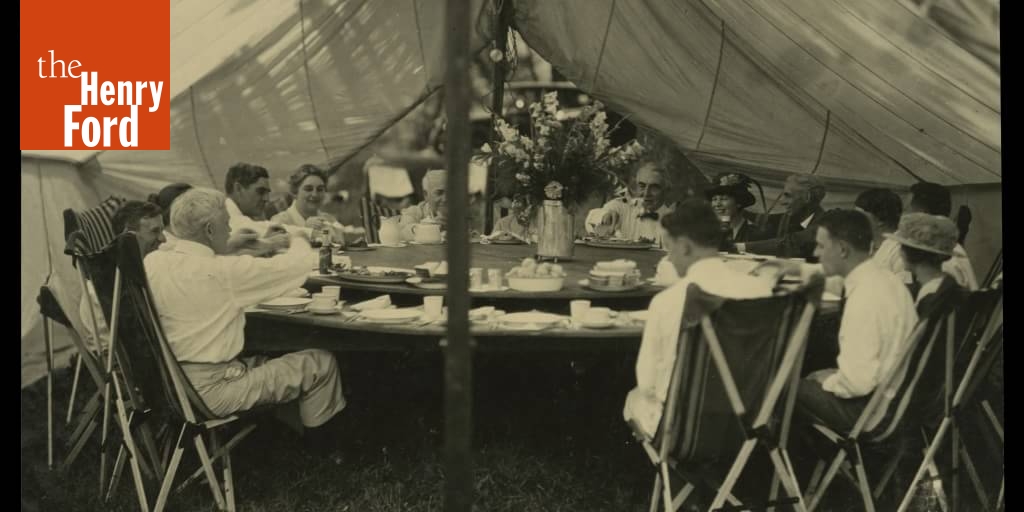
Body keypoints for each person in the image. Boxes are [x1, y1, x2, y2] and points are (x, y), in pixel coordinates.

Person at [144, 188, 346, 436]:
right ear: (209, 230)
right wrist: (302, 240)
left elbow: (195, 261)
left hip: (168, 385)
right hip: (212, 393)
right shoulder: (225, 272)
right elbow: (295, 266)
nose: (230, 231)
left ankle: (285, 433)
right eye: (226, 225)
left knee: (263, 359)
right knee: (319, 363)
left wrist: (232, 248)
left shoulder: (153, 261)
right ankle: (324, 449)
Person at [623, 199, 776, 439]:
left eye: (669, 249)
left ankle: (671, 473)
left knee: (634, 399)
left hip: (685, 428)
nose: (670, 259)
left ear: (684, 246)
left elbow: (648, 383)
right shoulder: (762, 291)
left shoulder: (671, 300)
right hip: (752, 419)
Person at [795, 210, 918, 435]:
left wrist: (828, 379)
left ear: (842, 249)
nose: (815, 252)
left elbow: (857, 384)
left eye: (821, 246)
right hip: (896, 400)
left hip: (871, 413)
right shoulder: (885, 279)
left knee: (778, 386)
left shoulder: (864, 297)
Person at [79, 200, 166, 351]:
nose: (163, 239)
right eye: (155, 231)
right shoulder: (109, 282)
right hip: (134, 362)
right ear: (128, 236)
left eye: (162, 231)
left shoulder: (142, 269)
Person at [903, 181, 979, 290]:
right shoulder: (944, 248)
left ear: (922, 213)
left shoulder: (943, 258)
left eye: (907, 210)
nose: (903, 215)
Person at [585, 160, 677, 246]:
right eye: (642, 186)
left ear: (667, 190)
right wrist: (604, 216)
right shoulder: (622, 207)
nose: (646, 193)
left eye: (654, 187)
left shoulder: (675, 221)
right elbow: (591, 219)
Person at [737, 174, 827, 259]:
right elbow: (767, 219)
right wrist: (739, 210)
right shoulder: (791, 219)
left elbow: (790, 243)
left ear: (807, 197)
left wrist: (740, 247)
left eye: (788, 196)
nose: (782, 202)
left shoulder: (824, 225)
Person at [270, 164, 364, 244]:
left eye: (320, 189)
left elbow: (342, 249)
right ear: (295, 192)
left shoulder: (329, 219)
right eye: (308, 189)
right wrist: (307, 230)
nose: (315, 194)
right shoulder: (280, 221)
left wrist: (337, 236)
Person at [886, 213, 965, 309]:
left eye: (902, 247)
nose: (900, 252)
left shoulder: (931, 296)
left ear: (912, 253)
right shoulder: (947, 283)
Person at [853, 188, 906, 280]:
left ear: (880, 219)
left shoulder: (900, 250)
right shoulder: (869, 244)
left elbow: (904, 288)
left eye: (859, 216)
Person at [704, 172, 768, 243]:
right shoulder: (708, 233)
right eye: (714, 199)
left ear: (739, 202)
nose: (717, 204)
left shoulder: (756, 235)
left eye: (724, 199)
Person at [399, 169, 447, 241]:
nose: (445, 199)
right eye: (439, 193)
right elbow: (402, 232)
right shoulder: (414, 212)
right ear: (426, 195)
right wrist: (430, 228)